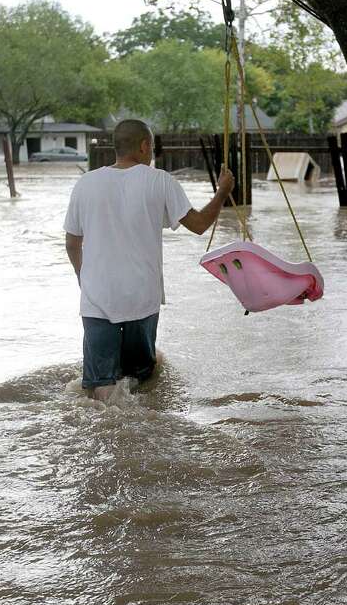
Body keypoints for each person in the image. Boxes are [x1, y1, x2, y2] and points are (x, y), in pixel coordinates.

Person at [64, 119, 235, 401]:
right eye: (152, 147)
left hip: (97, 298)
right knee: (139, 384)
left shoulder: (85, 184)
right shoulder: (160, 181)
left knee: (100, 388)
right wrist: (222, 192)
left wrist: (83, 278)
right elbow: (199, 224)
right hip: (142, 298)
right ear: (144, 146)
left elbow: (72, 243)